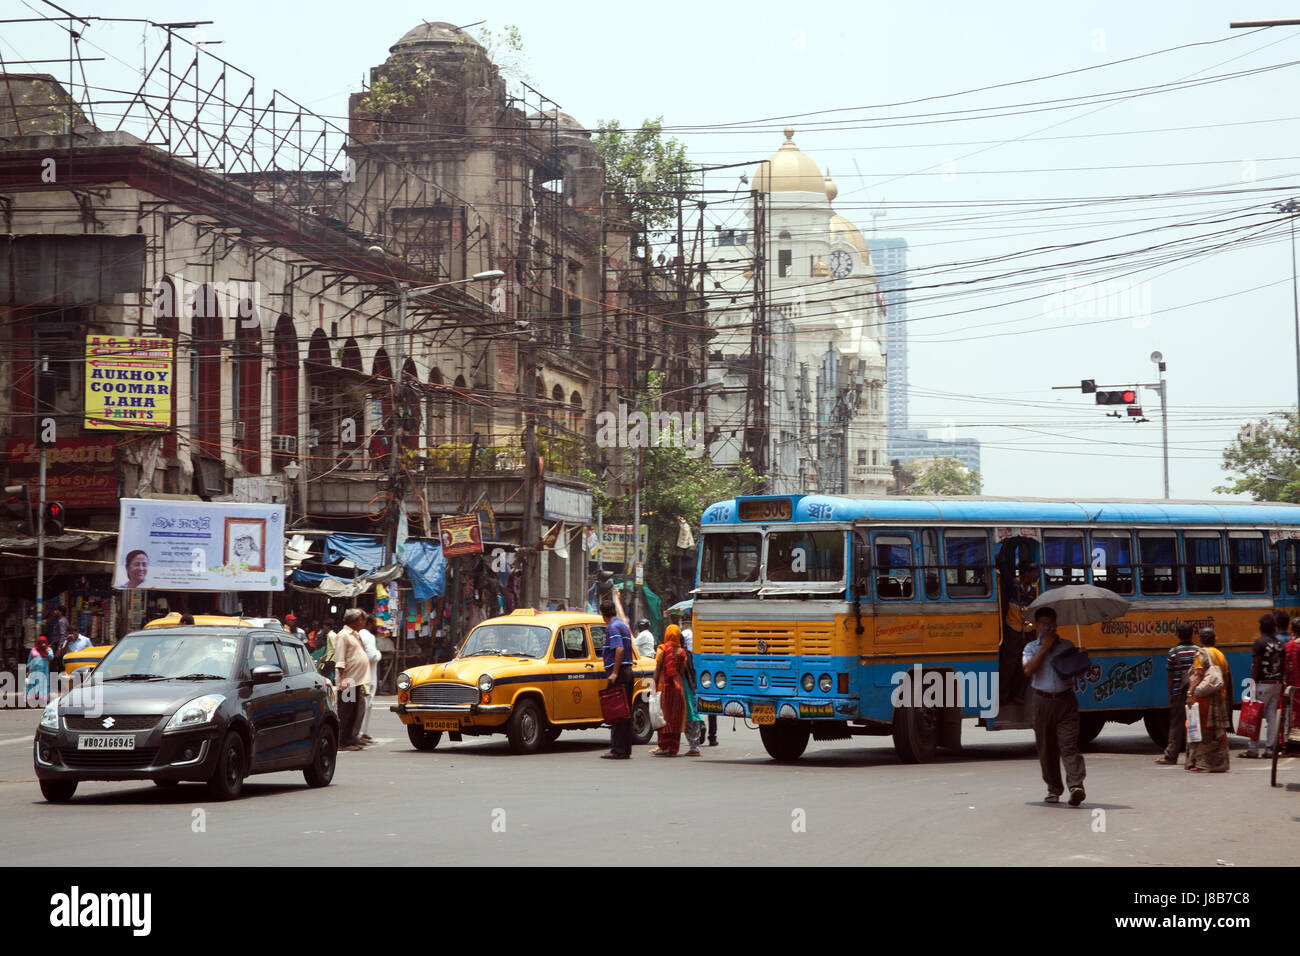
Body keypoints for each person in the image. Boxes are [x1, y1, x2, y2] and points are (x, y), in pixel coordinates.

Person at [1022, 606, 1086, 806]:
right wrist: (1044, 649)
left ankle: (1076, 786)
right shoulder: (1030, 648)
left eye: (1050, 624)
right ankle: (1053, 789)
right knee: (1046, 748)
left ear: (1056, 625)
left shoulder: (1067, 646)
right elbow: (1028, 670)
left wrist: (1081, 658)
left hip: (1065, 701)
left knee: (1068, 745)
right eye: (1042, 624)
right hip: (1042, 701)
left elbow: (1080, 674)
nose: (1046, 628)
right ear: (1036, 626)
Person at [1186, 628, 1233, 773]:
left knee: (1201, 730)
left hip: (1204, 699)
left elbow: (1198, 675)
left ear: (1200, 640)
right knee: (1216, 730)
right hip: (1219, 697)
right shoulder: (1220, 655)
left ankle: (1201, 763)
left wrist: (1190, 693)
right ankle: (1219, 763)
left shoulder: (1201, 653)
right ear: (1214, 640)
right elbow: (1224, 678)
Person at [1156, 623, 1200, 765]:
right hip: (1195, 693)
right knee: (1195, 724)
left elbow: (1170, 677)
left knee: (1176, 725)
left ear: (1178, 635)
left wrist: (1171, 694)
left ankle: (1171, 756)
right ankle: (1195, 756)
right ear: (1192, 635)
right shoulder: (1198, 651)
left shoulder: (1174, 652)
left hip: (1178, 693)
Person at [599, 587, 634, 760]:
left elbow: (619, 649)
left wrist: (614, 673)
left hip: (619, 674)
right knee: (625, 712)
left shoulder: (612, 627)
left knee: (616, 712)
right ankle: (625, 749)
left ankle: (617, 750)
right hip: (628, 672)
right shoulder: (623, 625)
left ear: (603, 615)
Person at [1243, 613, 1284, 759]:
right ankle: (1270, 749)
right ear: (1274, 628)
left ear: (1261, 627)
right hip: (1276, 684)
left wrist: (1252, 685)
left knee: (1256, 716)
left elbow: (1256, 666)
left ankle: (1253, 749)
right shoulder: (1279, 644)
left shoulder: (1259, 643)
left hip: (1263, 684)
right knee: (1271, 716)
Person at [650, 624, 688, 756]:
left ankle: (663, 746)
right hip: (678, 688)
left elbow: (658, 668)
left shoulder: (662, 649)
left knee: (663, 715)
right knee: (675, 717)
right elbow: (682, 671)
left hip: (664, 686)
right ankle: (673, 748)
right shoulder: (682, 652)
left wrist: (653, 685)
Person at [334, 609, 369, 750]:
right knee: (346, 711)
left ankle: (349, 739)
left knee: (353, 710)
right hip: (348, 680)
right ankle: (341, 741)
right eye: (361, 619)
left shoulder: (354, 635)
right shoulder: (343, 635)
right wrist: (343, 678)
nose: (363, 622)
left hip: (356, 679)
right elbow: (340, 659)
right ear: (354, 621)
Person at [358, 619, 381, 743]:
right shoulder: (368, 636)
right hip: (369, 675)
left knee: (362, 703)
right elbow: (372, 656)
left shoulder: (357, 635)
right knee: (366, 703)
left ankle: (361, 732)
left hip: (359, 674)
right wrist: (378, 654)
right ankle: (361, 732)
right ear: (370, 624)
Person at [25, 636, 51, 703]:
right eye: (40, 642)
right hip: (33, 671)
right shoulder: (33, 649)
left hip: (44, 671)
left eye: (43, 642)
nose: (42, 643)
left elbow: (51, 657)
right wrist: (27, 670)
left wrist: (45, 649)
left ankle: (44, 698)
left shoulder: (48, 649)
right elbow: (29, 660)